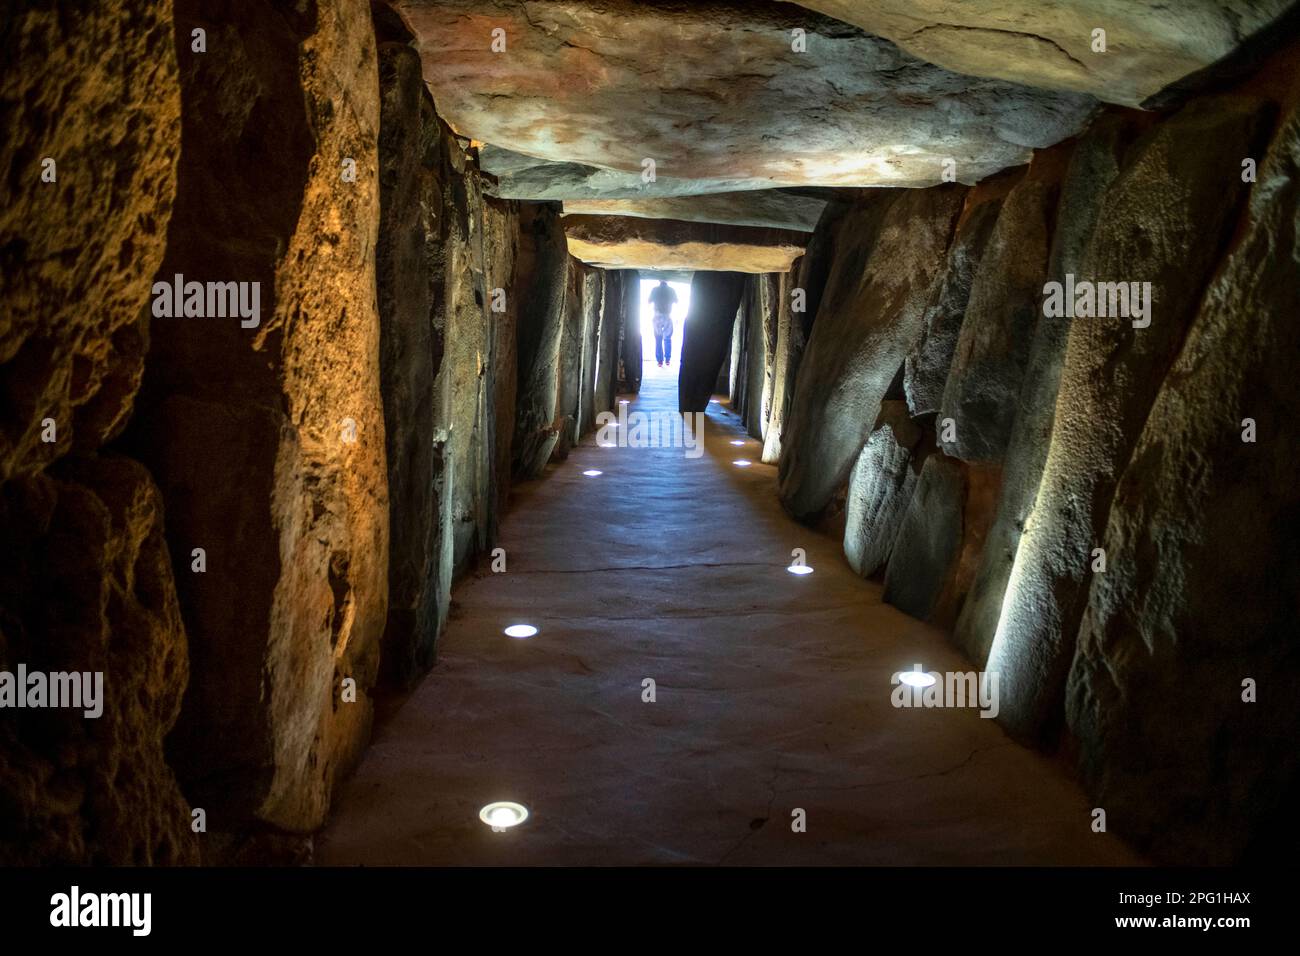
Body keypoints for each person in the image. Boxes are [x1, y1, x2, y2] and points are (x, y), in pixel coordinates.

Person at [648, 280, 678, 368]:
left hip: (657, 316)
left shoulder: (655, 289)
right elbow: (676, 301)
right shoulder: (671, 290)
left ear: (659, 281)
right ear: (667, 281)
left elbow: (649, 301)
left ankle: (660, 361)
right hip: (667, 316)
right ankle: (668, 360)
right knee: (667, 339)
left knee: (658, 339)